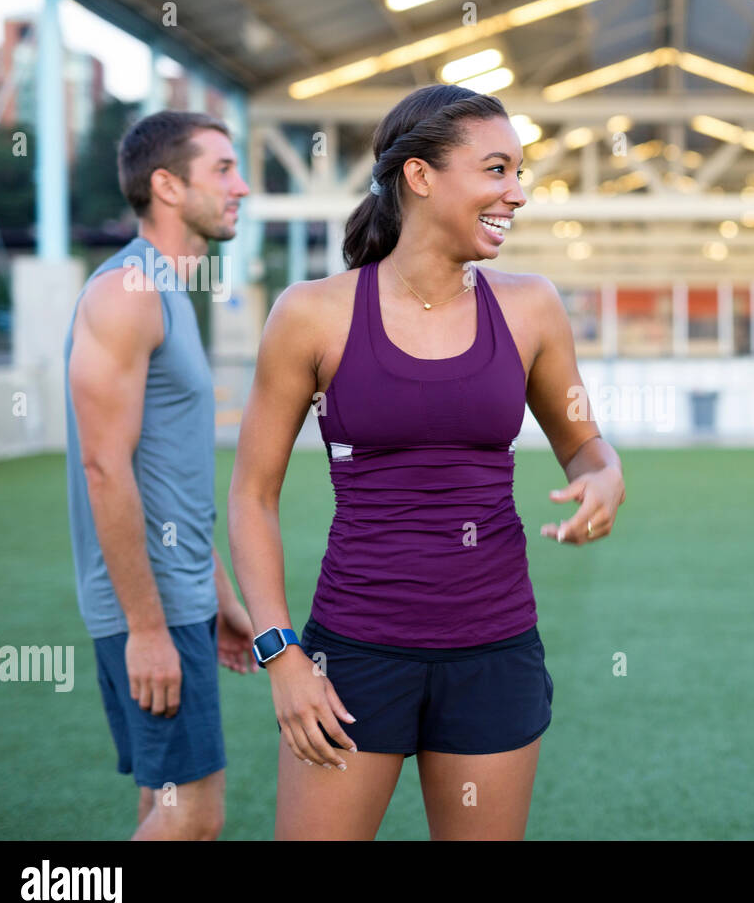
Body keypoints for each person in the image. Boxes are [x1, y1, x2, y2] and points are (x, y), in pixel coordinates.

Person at [228, 84, 625, 840]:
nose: (517, 193)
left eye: (518, 173)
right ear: (419, 176)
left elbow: (583, 440)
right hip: (351, 656)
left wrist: (603, 476)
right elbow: (251, 497)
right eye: (497, 170)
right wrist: (282, 655)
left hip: (496, 652)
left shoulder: (532, 306)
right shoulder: (312, 313)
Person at [64, 110, 256, 839]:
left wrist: (218, 596)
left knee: (162, 800)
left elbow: (166, 477)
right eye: (223, 170)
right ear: (167, 186)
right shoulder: (128, 294)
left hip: (180, 600)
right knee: (194, 815)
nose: (240, 187)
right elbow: (105, 469)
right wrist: (150, 628)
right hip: (150, 611)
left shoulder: (168, 291)